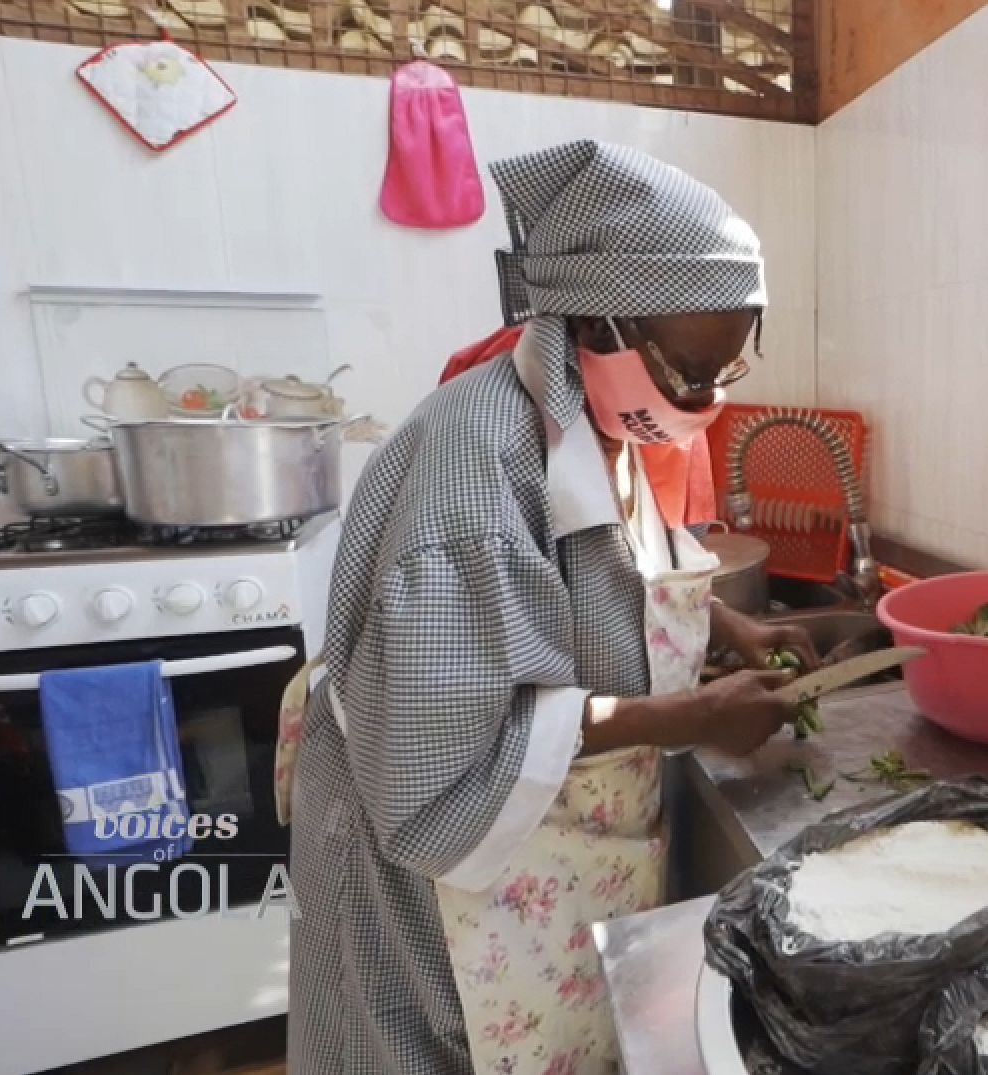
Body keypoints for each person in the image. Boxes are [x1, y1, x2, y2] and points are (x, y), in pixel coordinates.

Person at [276, 141, 817, 1075]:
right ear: (596, 324)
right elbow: (448, 738)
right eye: (691, 372)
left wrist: (733, 627)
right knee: (436, 1045)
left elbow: (614, 566)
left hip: (537, 850)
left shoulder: (595, 421)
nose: (708, 402)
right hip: (424, 858)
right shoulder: (477, 462)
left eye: (730, 372)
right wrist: (693, 716)